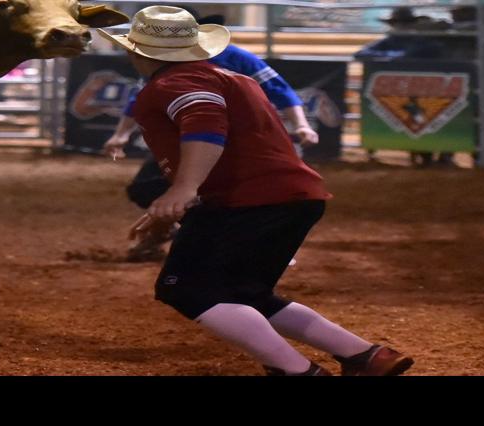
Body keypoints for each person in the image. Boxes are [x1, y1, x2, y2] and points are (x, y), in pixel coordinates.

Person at [99, 6, 412, 376]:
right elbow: (236, 147)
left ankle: (297, 371)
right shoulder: (229, 77)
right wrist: (178, 199)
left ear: (135, 50)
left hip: (249, 201)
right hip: (290, 197)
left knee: (184, 289)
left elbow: (205, 124)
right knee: (244, 294)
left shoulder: (172, 84)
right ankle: (366, 356)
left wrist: (184, 188)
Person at [103, 12, 321, 260]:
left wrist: (184, 187)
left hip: (216, 146)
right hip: (202, 145)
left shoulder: (181, 74)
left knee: (194, 283)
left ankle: (257, 241)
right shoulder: (170, 73)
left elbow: (206, 121)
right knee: (148, 188)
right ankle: (180, 228)